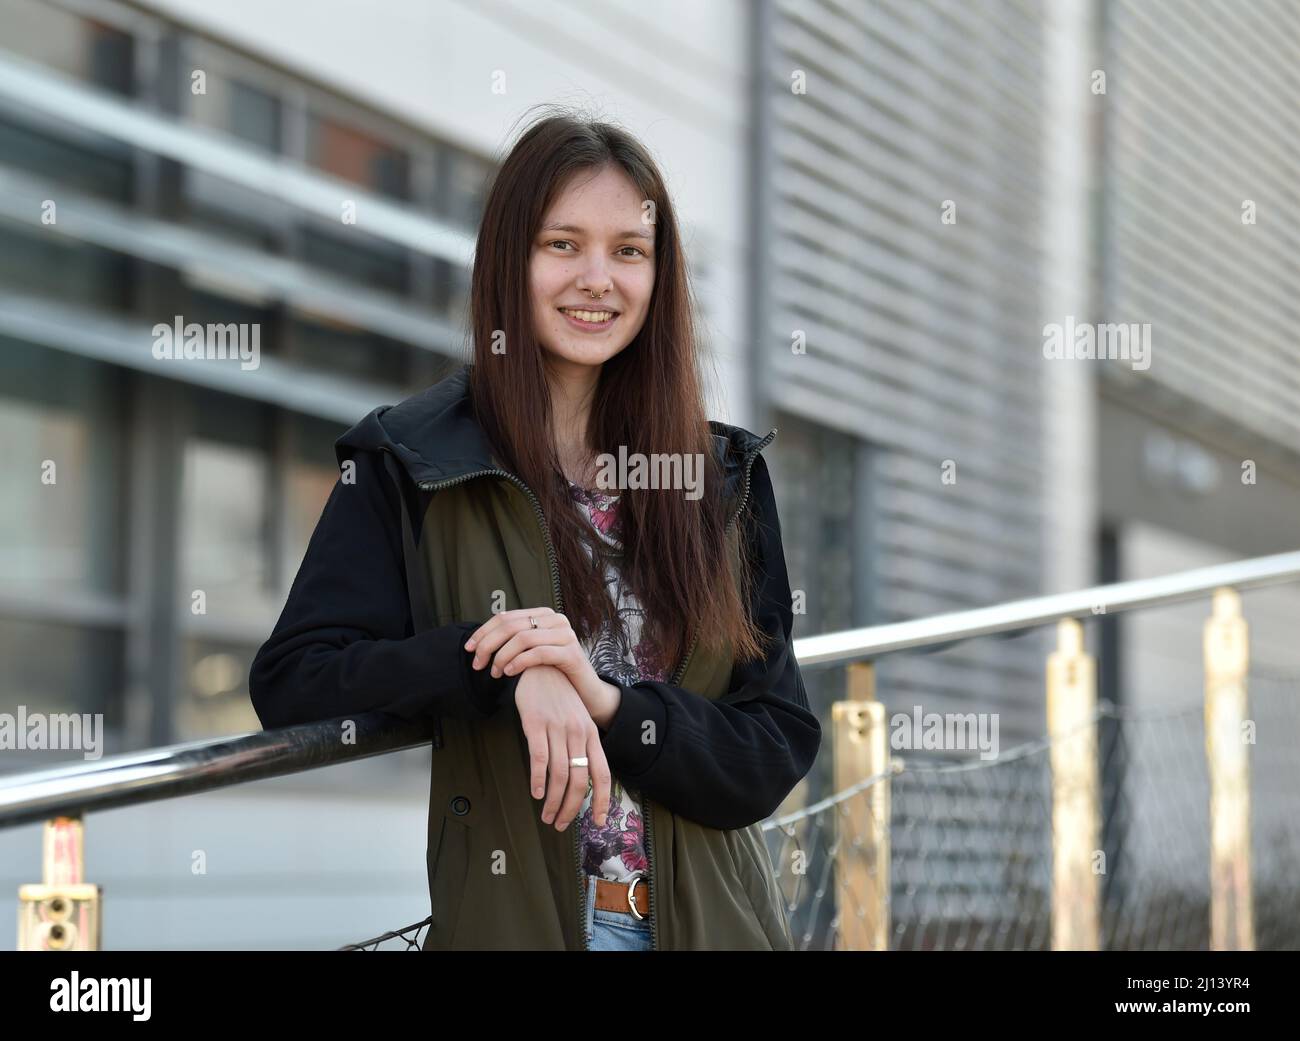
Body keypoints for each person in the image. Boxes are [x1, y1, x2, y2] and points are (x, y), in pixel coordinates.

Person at [248, 105, 821, 951]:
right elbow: (297, 680)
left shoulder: (718, 478)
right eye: (563, 244)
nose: (599, 278)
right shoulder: (408, 459)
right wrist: (504, 661)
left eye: (629, 251)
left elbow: (774, 743)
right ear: (509, 263)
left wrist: (612, 706)